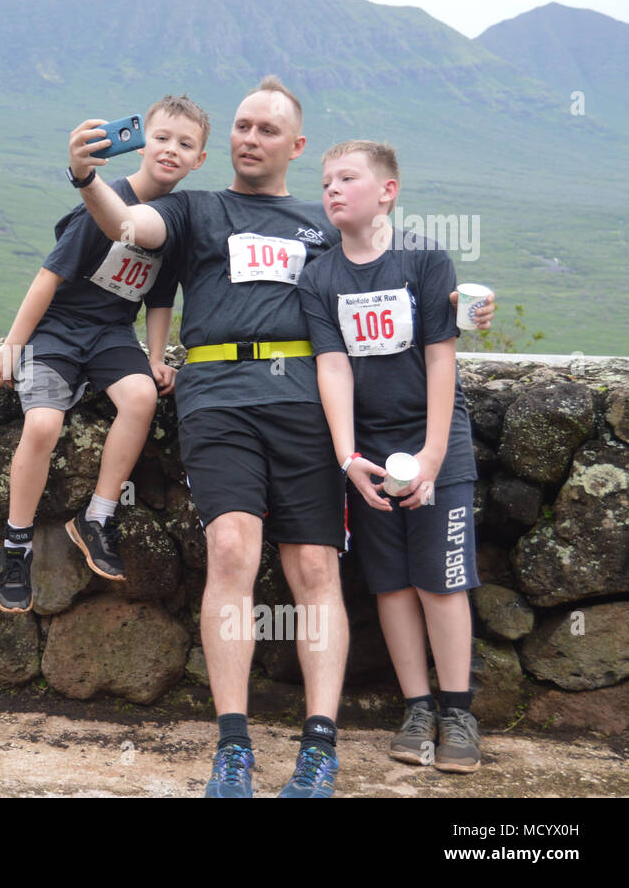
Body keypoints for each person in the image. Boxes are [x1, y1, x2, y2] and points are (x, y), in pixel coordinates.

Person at [66, 77, 493, 798]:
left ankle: (318, 747)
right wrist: (85, 176)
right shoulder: (196, 208)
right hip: (217, 400)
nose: (249, 137)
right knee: (232, 549)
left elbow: (389, 269)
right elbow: (130, 229)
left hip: (308, 406)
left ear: (294, 146)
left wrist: (460, 305)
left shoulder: (321, 219)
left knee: (316, 571)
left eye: (268, 129)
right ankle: (233, 749)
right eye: (241, 125)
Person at [0, 94, 211, 614]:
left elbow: (160, 294)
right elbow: (49, 277)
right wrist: (11, 346)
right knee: (41, 425)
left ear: (200, 160)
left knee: (140, 397)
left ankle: (97, 517)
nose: (171, 150)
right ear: (140, 143)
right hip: (57, 332)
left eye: (186, 144)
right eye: (161, 137)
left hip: (110, 334)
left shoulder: (176, 218)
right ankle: (16, 546)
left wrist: (155, 357)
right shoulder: (105, 202)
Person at [299, 140, 482, 773]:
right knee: (393, 585)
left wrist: (432, 456)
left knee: (440, 581)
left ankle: (459, 713)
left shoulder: (427, 261)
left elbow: (441, 358)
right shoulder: (319, 275)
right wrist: (348, 456)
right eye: (325, 181)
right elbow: (333, 368)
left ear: (387, 191)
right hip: (369, 453)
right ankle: (418, 710)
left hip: (437, 445)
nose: (332, 189)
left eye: (348, 177)